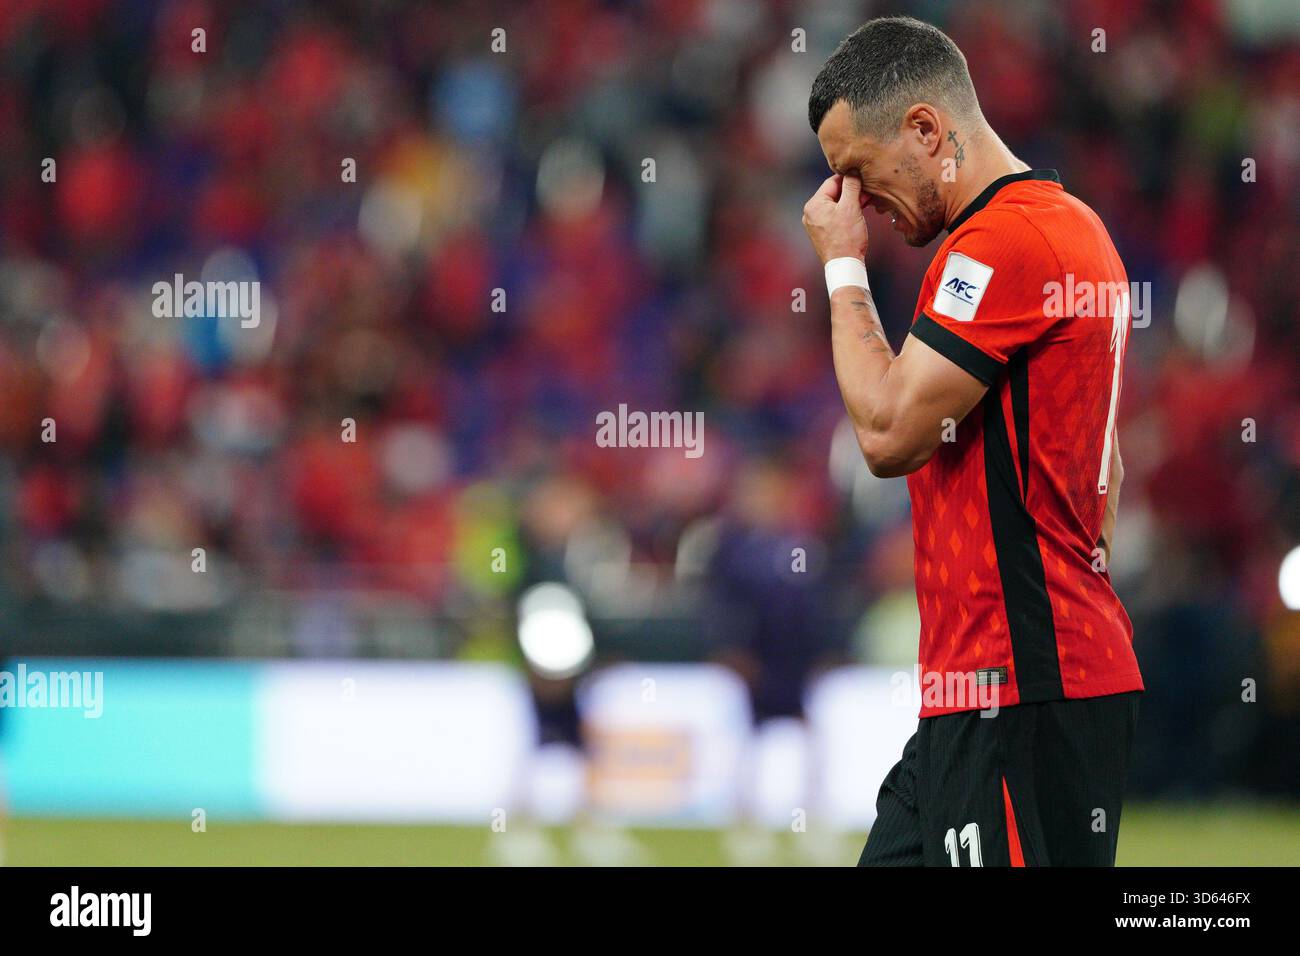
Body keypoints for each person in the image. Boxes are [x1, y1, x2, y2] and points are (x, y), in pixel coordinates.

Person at [801, 16, 1143, 866]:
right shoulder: (1058, 232)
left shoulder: (1006, 242)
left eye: (857, 172)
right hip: (986, 687)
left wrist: (842, 269)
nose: (856, 206)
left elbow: (886, 433)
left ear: (925, 129)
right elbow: (1110, 468)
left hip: (1022, 689)